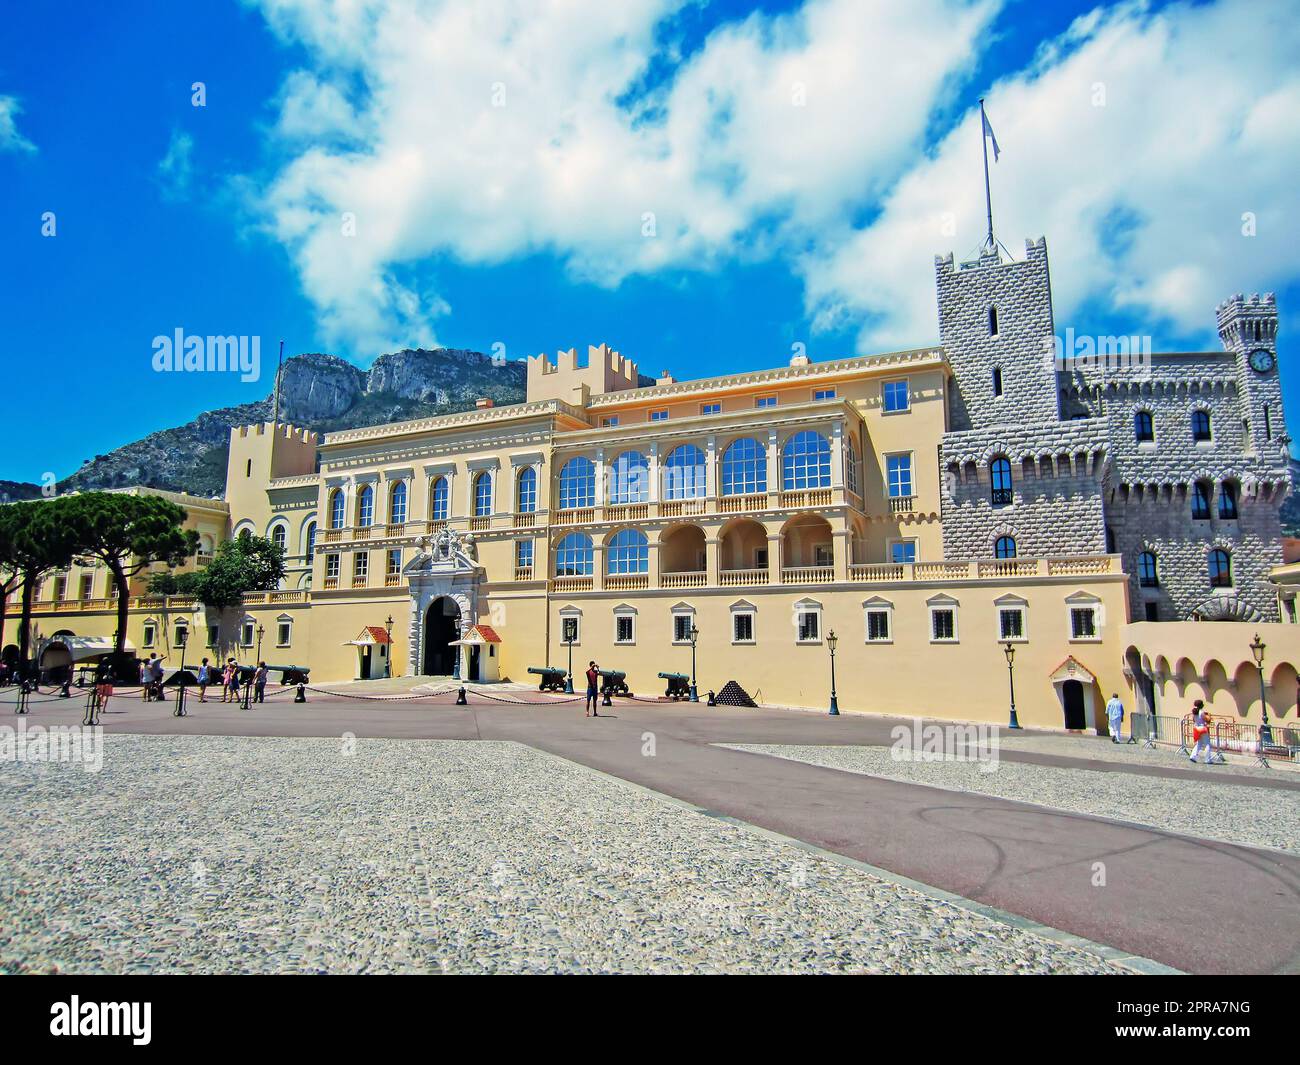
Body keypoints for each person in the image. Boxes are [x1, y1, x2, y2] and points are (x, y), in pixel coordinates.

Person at [1188, 699, 1217, 764]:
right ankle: (1207, 759)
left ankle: (1193, 756)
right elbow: (1208, 720)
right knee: (1207, 744)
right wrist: (1209, 715)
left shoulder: (1194, 712)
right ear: (1201, 705)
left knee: (1199, 743)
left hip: (1197, 729)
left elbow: (1194, 720)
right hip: (1203, 729)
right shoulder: (1201, 712)